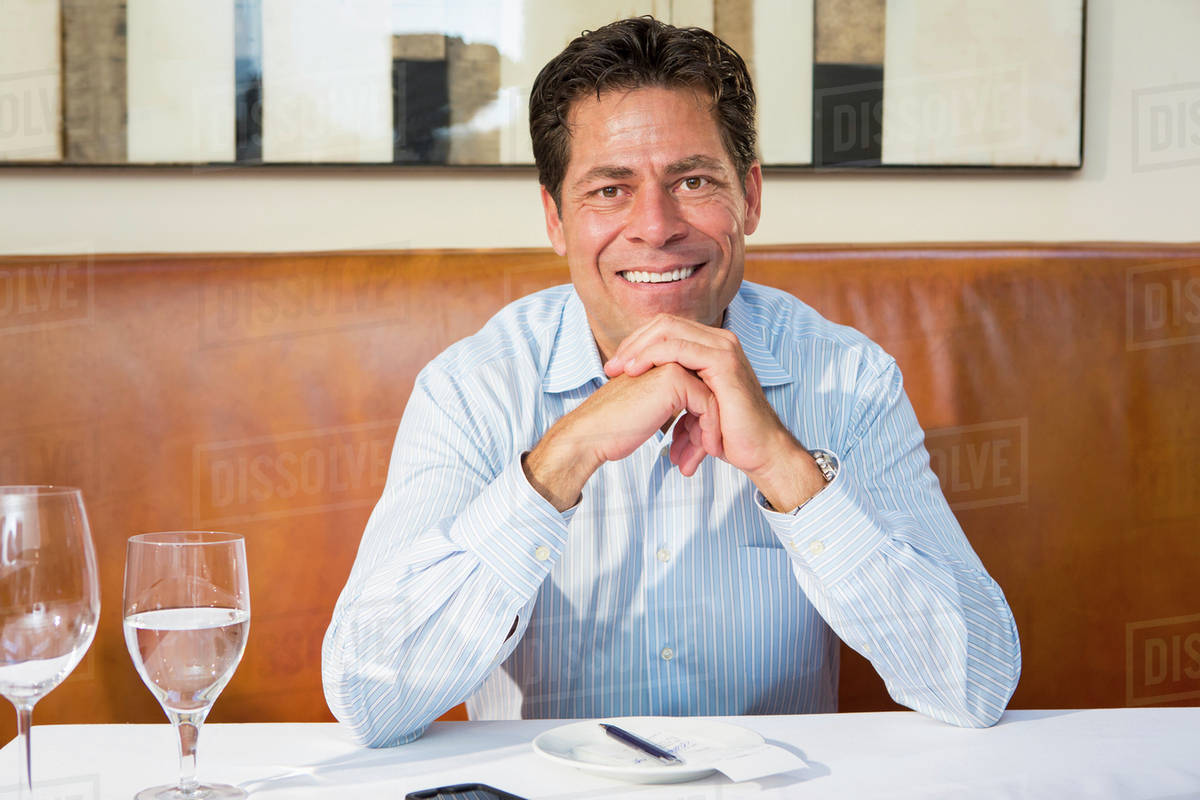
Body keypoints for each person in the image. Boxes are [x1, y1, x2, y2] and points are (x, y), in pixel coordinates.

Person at [322, 17, 1020, 748]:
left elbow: (975, 683)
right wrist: (561, 459)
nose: (655, 227)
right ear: (556, 219)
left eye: (693, 181)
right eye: (609, 190)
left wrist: (788, 469)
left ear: (750, 196)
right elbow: (372, 700)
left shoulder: (849, 380)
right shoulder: (471, 391)